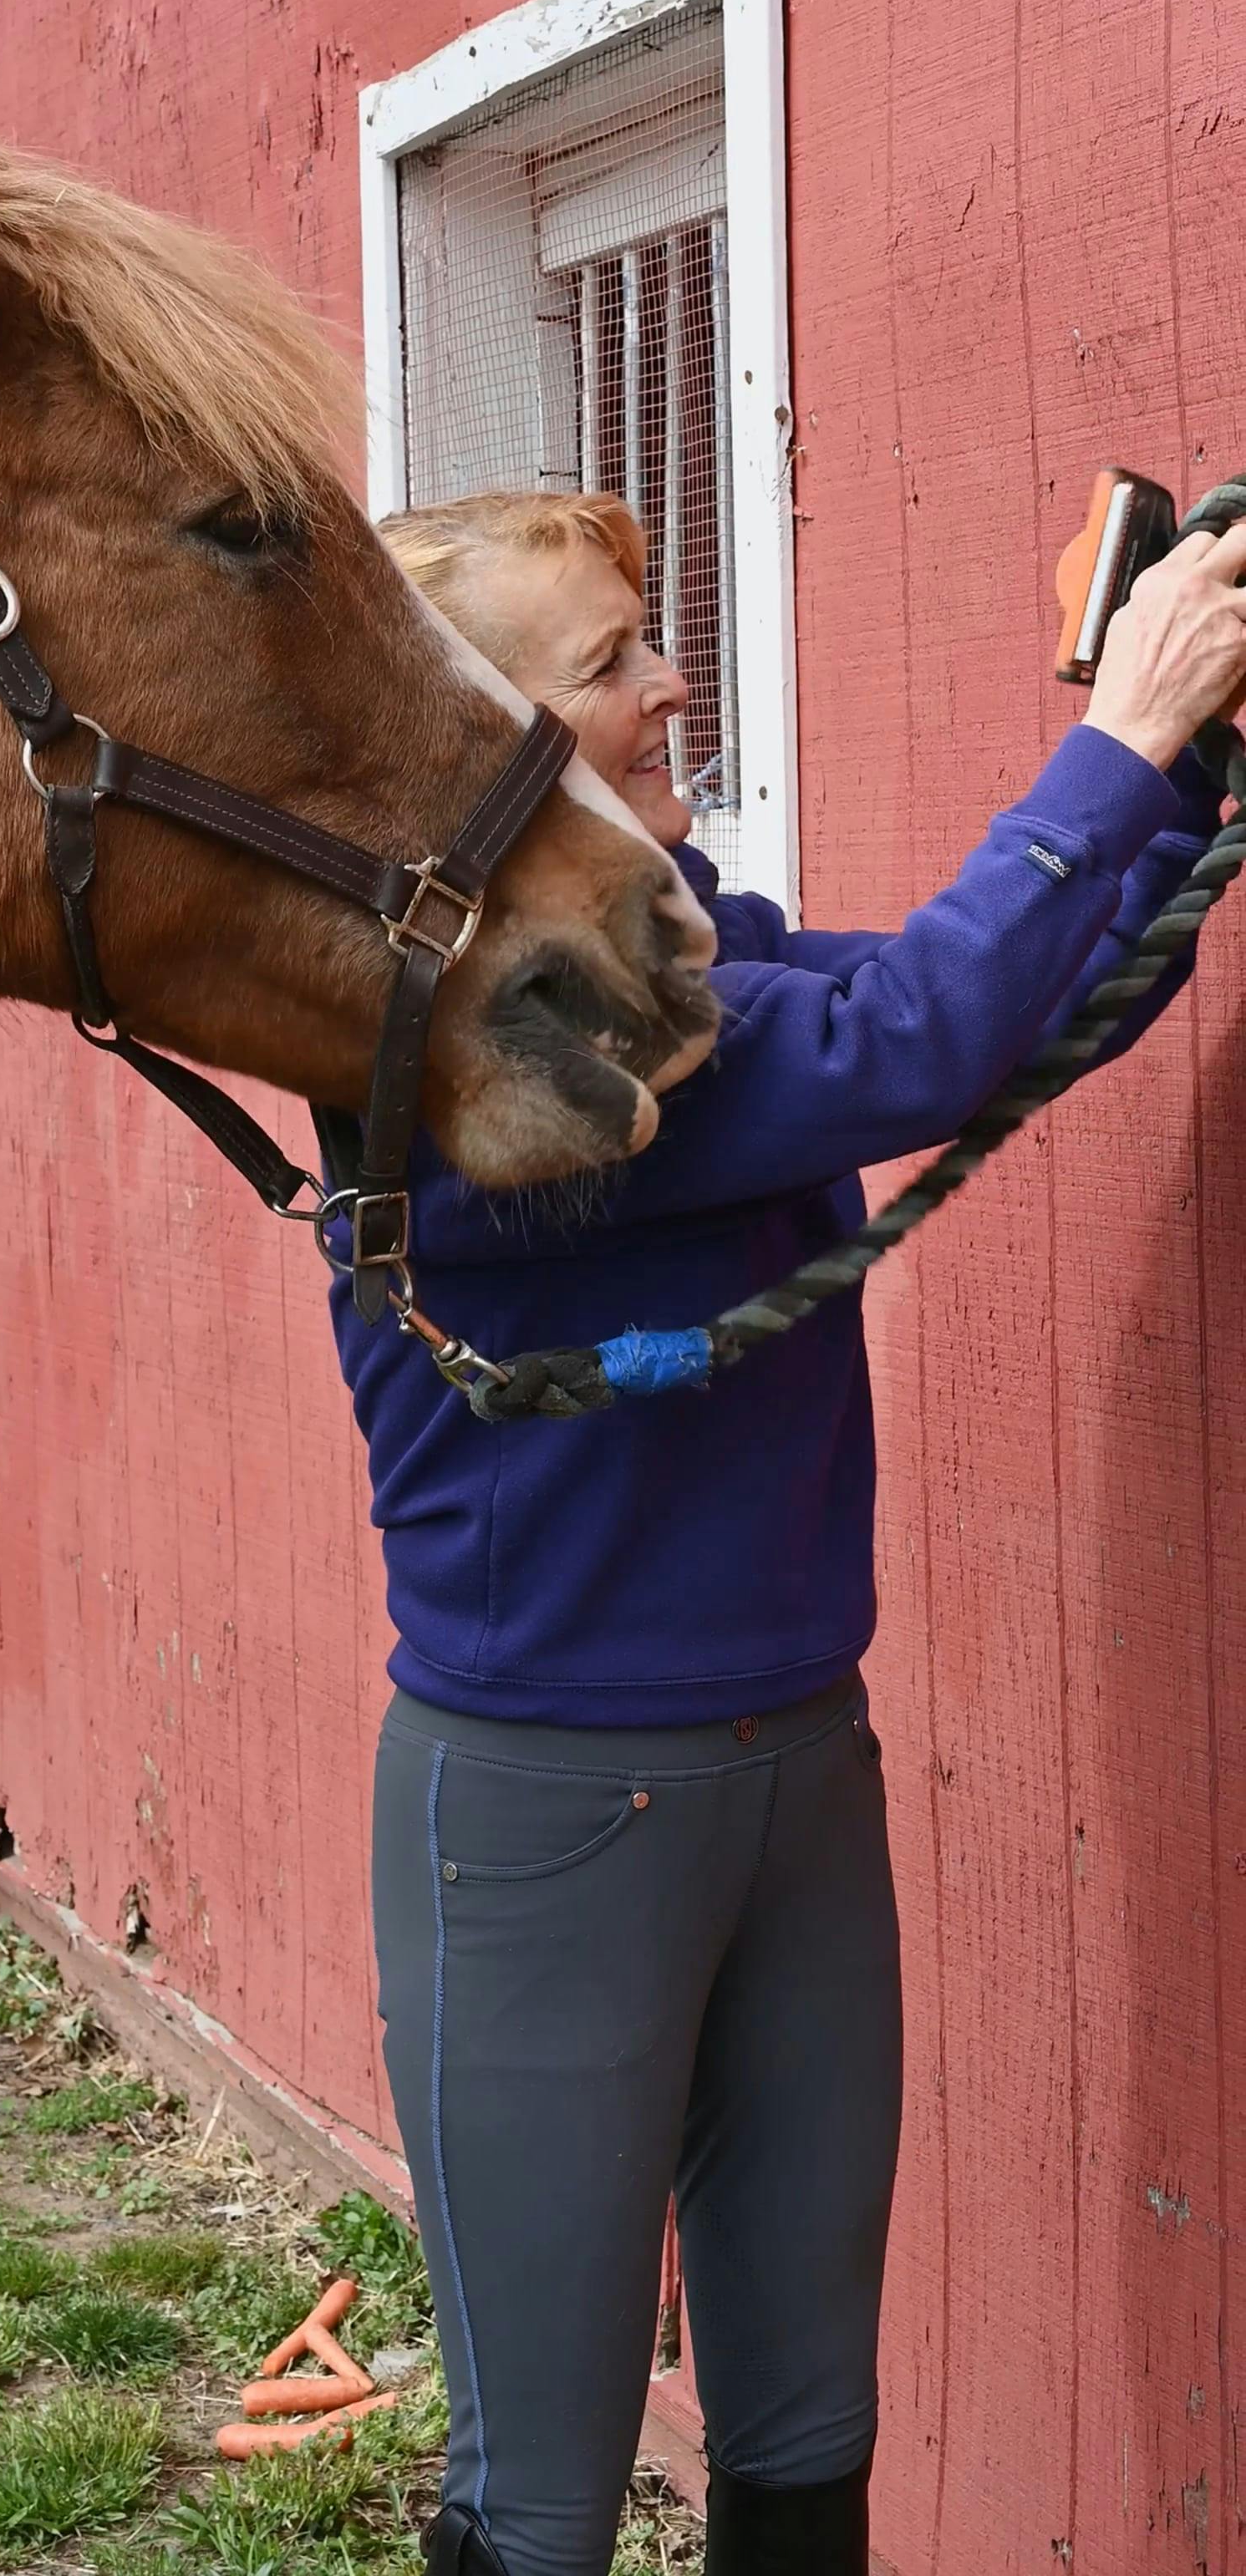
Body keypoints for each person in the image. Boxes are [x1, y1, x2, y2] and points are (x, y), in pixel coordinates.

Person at [325, 487, 1246, 2576]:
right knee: (538, 2501)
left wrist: (1177, 774)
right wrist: (1117, 736)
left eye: (655, 634)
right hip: (551, 1817)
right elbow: (904, 1039)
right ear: (476, 751)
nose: (671, 683)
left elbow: (968, 1004)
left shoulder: (681, 941)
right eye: (609, 664)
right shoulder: (491, 1045)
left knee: (811, 2435)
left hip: (796, 1768)